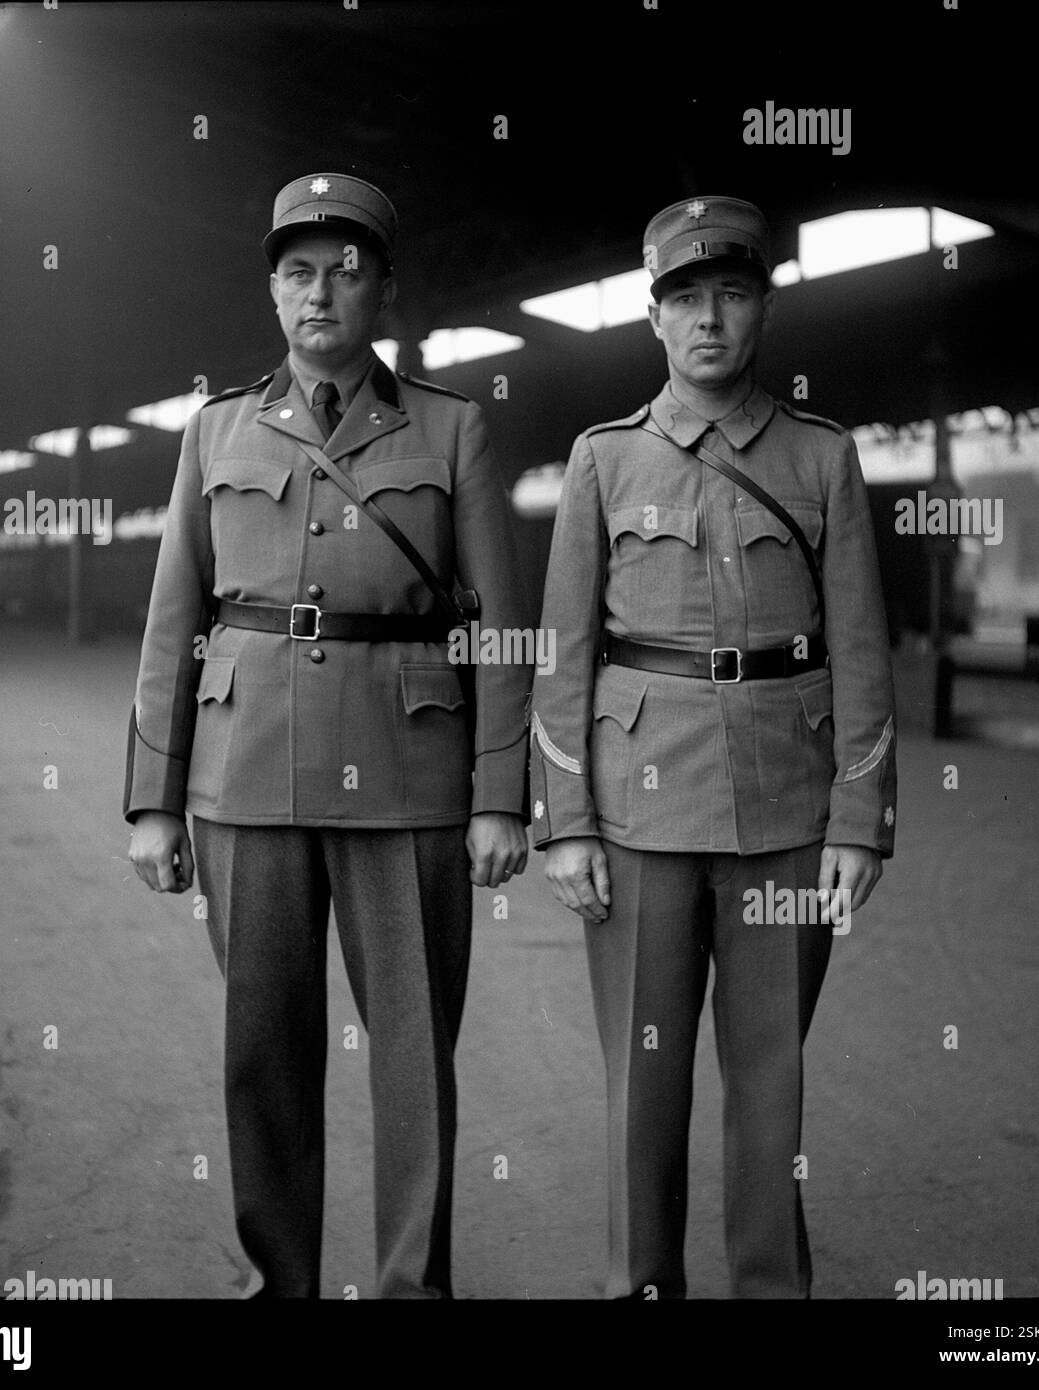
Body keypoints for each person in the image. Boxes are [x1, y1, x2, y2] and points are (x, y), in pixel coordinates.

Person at [124, 173, 531, 1299]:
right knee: (262, 1051)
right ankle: (280, 1284)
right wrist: (153, 798)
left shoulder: (452, 429)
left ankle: (411, 1287)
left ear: (384, 287)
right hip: (243, 772)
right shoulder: (214, 433)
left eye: (344, 269)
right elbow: (174, 622)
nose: (319, 292)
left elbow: (499, 625)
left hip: (407, 777)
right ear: (271, 292)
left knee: (412, 1061)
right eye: (296, 271)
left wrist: (500, 793)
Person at [530, 195, 896, 1298]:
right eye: (683, 298)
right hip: (638, 814)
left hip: (785, 814)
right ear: (652, 317)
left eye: (729, 294)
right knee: (641, 1091)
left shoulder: (820, 458)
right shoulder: (602, 461)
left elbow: (861, 647)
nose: (707, 320)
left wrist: (857, 821)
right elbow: (564, 654)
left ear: (764, 308)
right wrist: (566, 824)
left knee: (768, 1086)